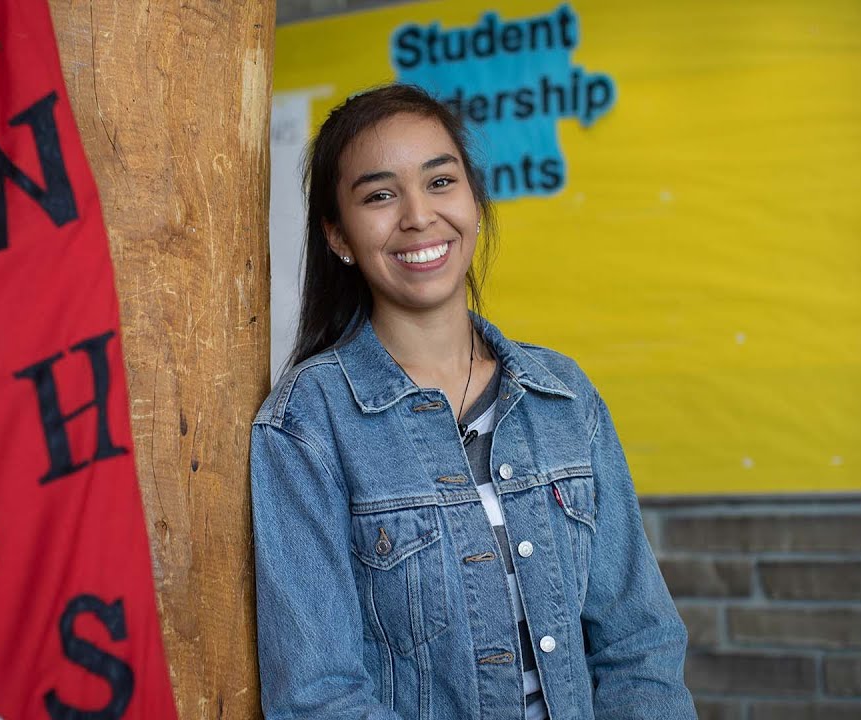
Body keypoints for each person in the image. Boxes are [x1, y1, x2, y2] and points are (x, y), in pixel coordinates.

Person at [251, 83, 695, 720]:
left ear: (474, 201)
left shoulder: (564, 397)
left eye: (440, 182)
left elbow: (639, 645)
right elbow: (318, 696)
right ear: (338, 235)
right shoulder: (306, 424)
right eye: (379, 195)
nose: (417, 216)